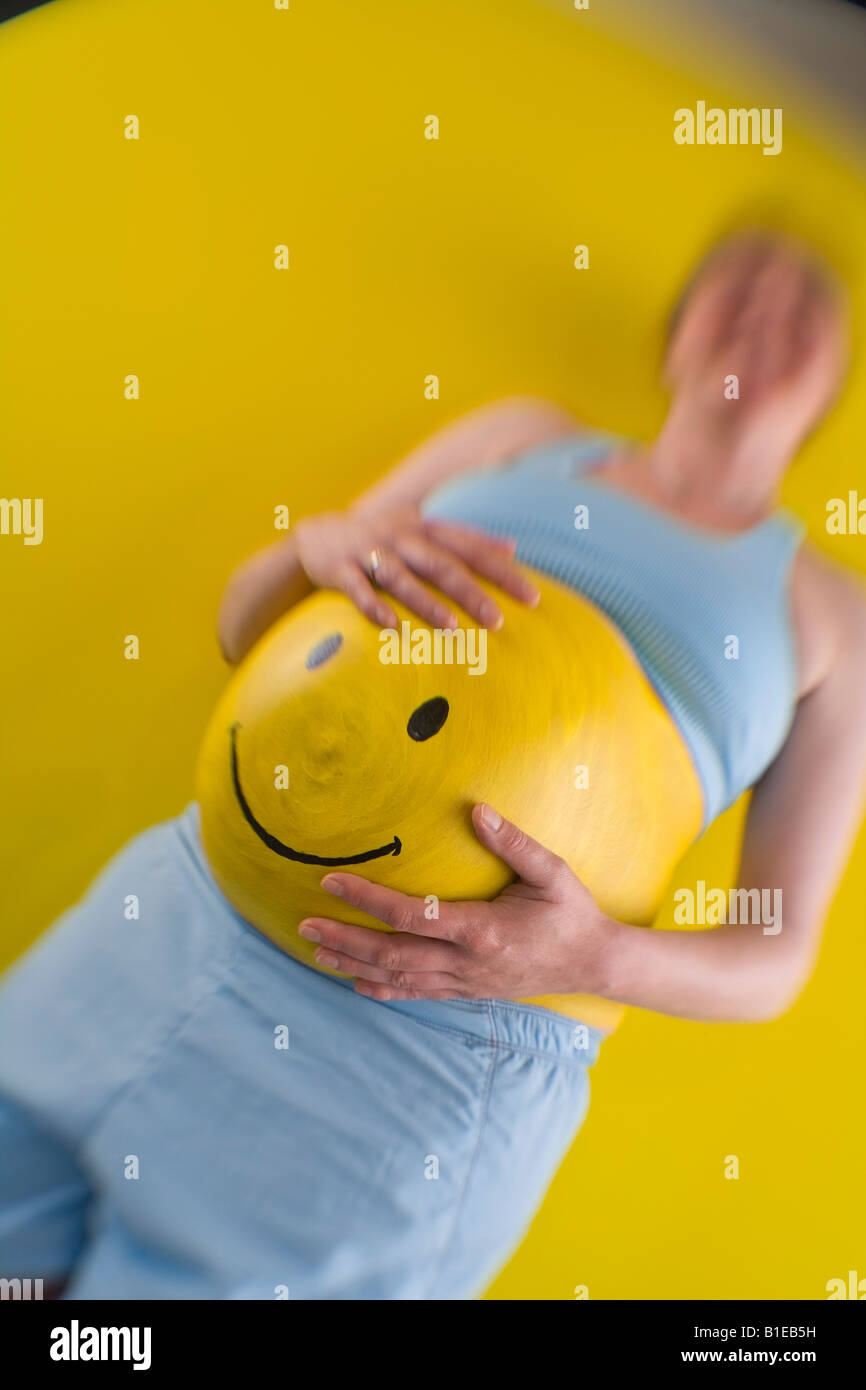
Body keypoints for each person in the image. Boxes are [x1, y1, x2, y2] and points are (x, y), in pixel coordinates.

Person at [1, 233, 863, 1300]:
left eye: (804, 307)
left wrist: (589, 957)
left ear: (829, 385)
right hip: (180, 921)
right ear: (675, 333)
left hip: (420, 1052)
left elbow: (772, 961)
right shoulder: (521, 436)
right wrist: (313, 545)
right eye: (738, 282)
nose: (765, 308)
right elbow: (245, 621)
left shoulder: (829, 614)